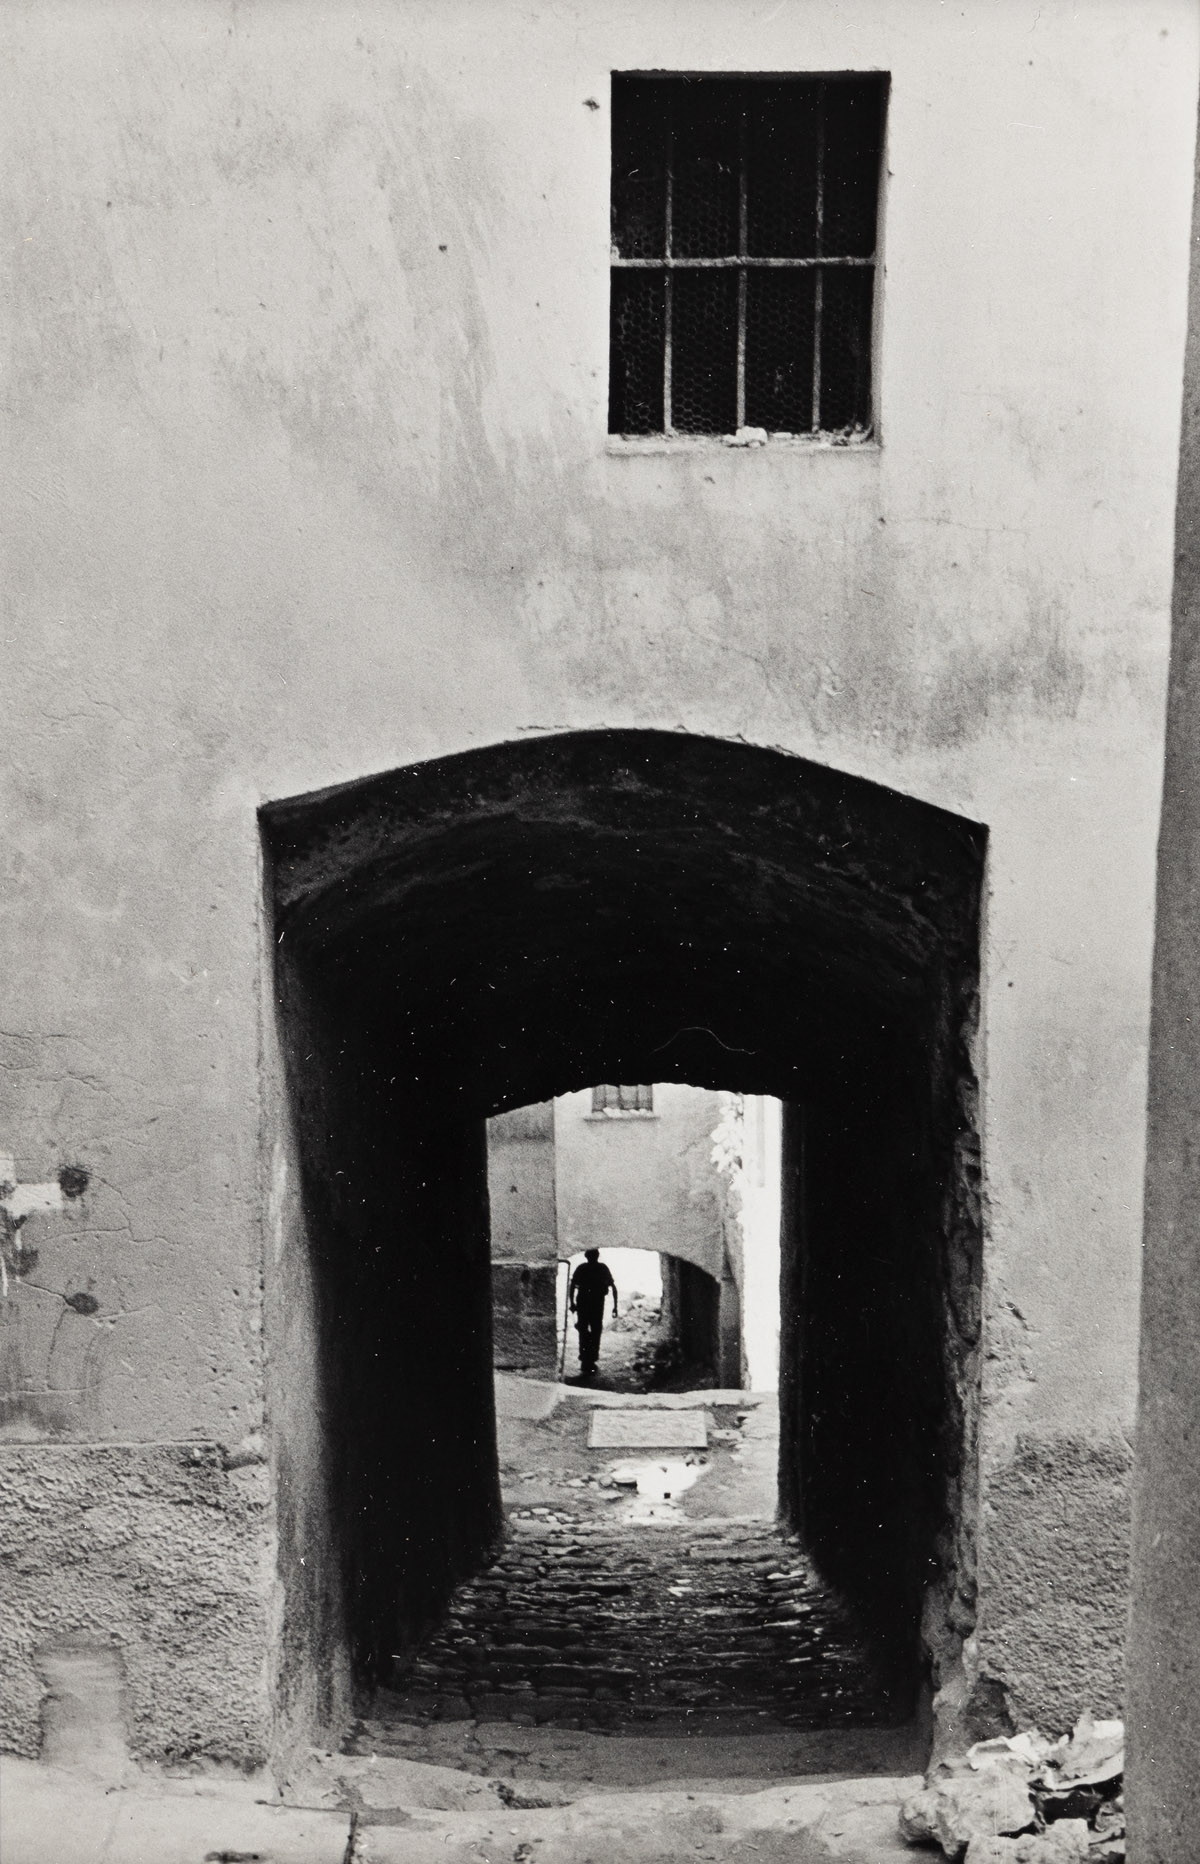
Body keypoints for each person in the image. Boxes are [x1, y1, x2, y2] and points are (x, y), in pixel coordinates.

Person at [568, 1248, 618, 1378]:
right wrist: (615, 1307)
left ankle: (586, 1360)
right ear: (597, 1256)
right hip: (595, 1303)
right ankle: (590, 1360)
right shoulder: (602, 1268)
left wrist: (572, 1303)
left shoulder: (582, 1268)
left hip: (584, 1303)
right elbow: (613, 1287)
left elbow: (572, 1286)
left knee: (584, 1331)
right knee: (594, 1331)